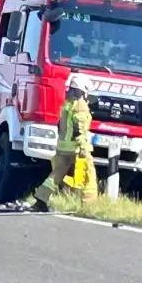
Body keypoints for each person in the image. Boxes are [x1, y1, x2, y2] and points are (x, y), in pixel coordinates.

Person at [28, 74, 98, 212]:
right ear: (82, 91)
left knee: (56, 175)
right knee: (88, 175)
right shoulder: (80, 105)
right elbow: (80, 128)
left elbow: (61, 126)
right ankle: (89, 206)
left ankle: (41, 199)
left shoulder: (66, 105)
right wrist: (83, 147)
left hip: (62, 148)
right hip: (76, 148)